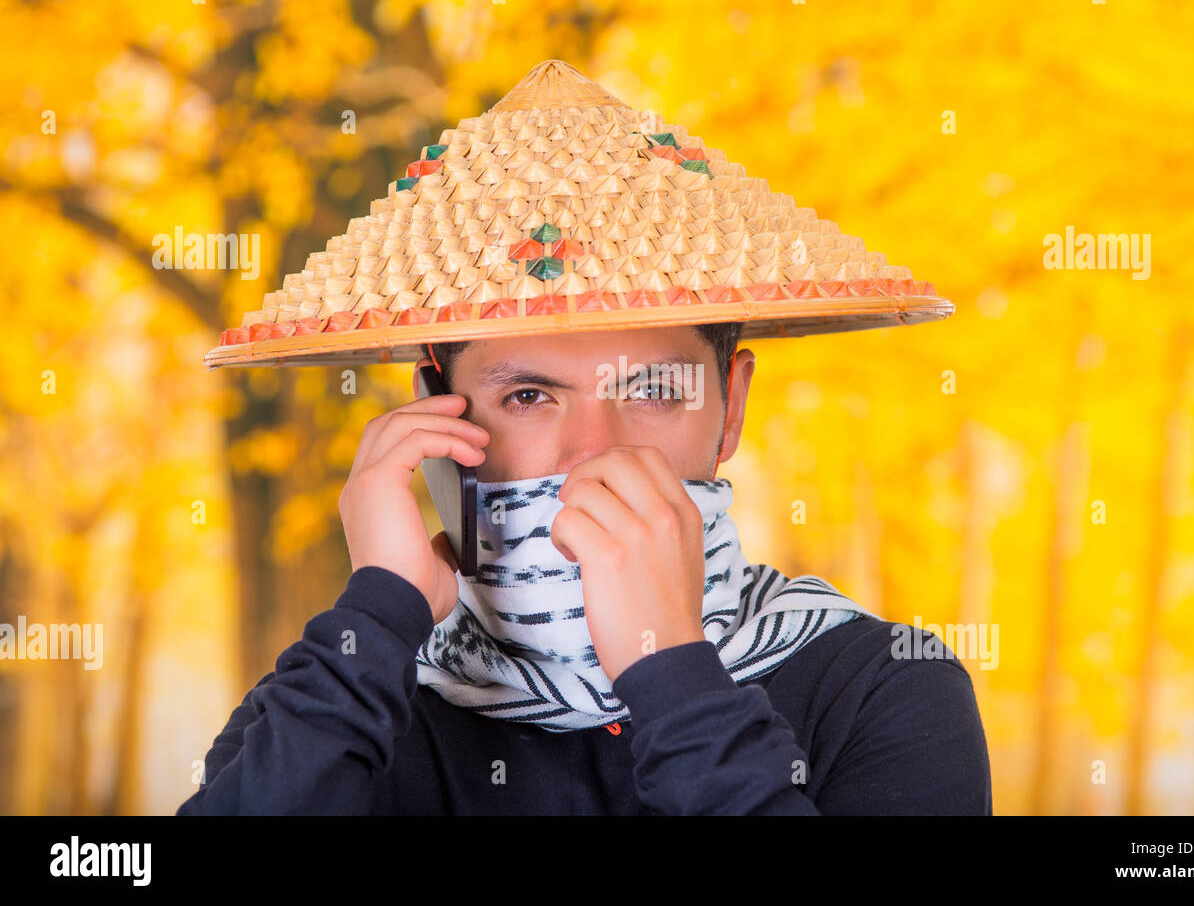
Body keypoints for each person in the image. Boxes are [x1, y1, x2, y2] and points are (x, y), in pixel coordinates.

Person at [178, 321, 993, 814]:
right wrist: (381, 611)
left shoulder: (887, 688)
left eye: (654, 389)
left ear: (731, 407)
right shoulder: (343, 703)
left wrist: (669, 668)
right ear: (434, 413)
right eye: (530, 395)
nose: (594, 454)